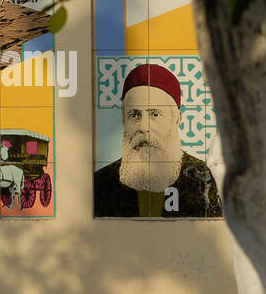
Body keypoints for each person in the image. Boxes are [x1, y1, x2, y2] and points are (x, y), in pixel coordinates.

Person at [93, 63, 221, 218]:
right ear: (123, 120)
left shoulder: (203, 180)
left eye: (154, 114)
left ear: (176, 119)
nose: (143, 127)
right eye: (134, 114)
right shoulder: (100, 184)